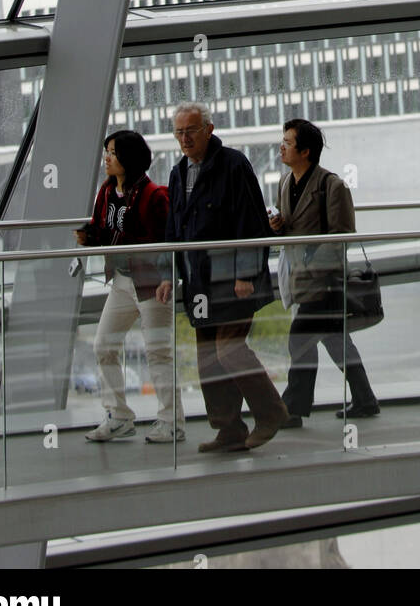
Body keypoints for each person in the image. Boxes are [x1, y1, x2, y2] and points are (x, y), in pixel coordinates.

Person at [155, 104, 288, 451]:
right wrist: (169, 274)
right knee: (207, 359)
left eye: (191, 131)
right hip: (198, 284)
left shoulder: (233, 164)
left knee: (228, 350)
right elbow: (174, 228)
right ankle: (228, 428)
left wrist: (245, 274)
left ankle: (271, 412)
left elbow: (250, 222)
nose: (184, 139)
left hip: (232, 282)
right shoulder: (178, 172)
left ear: (209, 129)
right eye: (179, 132)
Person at [77, 129, 185, 444]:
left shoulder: (153, 196)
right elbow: (102, 230)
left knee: (158, 352)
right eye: (106, 151)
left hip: (152, 284)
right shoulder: (107, 192)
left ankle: (171, 421)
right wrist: (89, 237)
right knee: (104, 347)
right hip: (123, 282)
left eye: (112, 152)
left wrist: (168, 276)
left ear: (129, 158)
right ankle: (119, 415)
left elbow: (167, 240)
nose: (106, 158)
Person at [270, 118, 379, 427]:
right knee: (335, 341)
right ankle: (365, 398)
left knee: (300, 340)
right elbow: (289, 232)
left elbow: (342, 236)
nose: (282, 147)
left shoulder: (332, 186)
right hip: (297, 278)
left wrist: (313, 264)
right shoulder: (284, 182)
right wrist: (276, 228)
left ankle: (293, 408)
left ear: (305, 151)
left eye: (288, 143)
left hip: (325, 281)